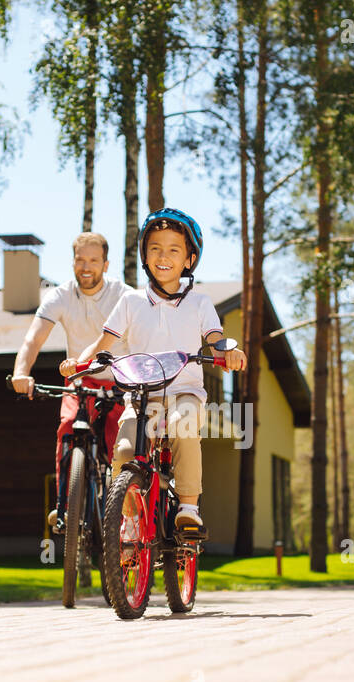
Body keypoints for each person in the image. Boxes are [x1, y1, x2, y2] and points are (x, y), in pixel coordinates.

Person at [60, 208, 246, 530]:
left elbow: (215, 338)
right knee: (125, 449)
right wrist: (80, 361)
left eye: (174, 250)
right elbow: (103, 341)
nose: (163, 256)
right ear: (145, 255)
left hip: (184, 392)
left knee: (182, 427)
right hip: (140, 397)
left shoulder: (199, 303)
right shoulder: (131, 302)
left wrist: (227, 352)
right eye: (155, 248)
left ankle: (188, 506)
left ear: (189, 260)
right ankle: (131, 517)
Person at [10, 232, 129, 530]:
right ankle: (64, 506)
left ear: (105, 263)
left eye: (93, 260)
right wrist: (21, 372)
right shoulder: (60, 296)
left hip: (119, 383)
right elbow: (32, 340)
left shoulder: (123, 295)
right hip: (79, 383)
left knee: (120, 446)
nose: (86, 267)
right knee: (66, 428)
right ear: (73, 262)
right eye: (80, 260)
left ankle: (125, 516)